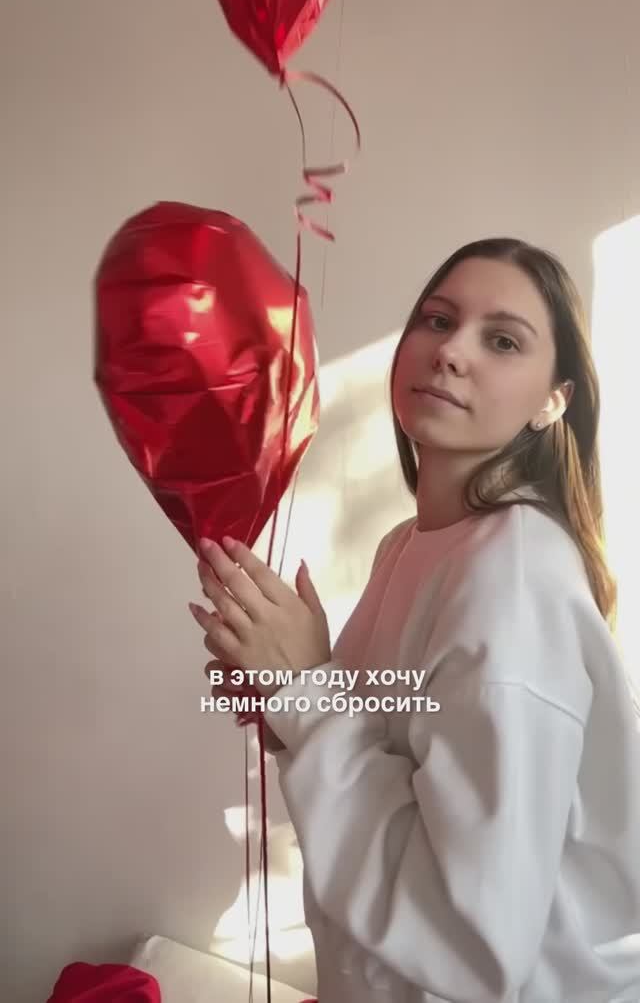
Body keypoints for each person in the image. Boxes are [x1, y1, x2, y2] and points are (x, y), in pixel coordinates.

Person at [189, 237, 640, 1002]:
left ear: (553, 399)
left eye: (503, 340)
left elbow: (472, 941)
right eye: (438, 320)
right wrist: (285, 702)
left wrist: (308, 690)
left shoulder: (511, 573)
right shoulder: (413, 543)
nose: (452, 351)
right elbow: (403, 755)